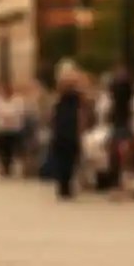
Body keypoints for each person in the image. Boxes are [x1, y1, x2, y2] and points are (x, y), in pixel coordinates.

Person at [48, 64, 85, 200]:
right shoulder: (64, 98)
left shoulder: (74, 99)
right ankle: (64, 186)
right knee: (65, 160)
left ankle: (65, 186)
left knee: (67, 161)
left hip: (67, 131)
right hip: (64, 132)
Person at [106, 61, 134, 196]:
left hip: (120, 121)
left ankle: (119, 181)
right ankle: (122, 180)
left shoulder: (120, 88)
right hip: (122, 121)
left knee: (118, 150)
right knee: (121, 150)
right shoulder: (127, 88)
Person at [0, 82, 26, 177]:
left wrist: (7, 115)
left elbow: (20, 111)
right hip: (0, 129)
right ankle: (3, 167)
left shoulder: (17, 99)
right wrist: (6, 115)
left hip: (13, 129)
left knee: (10, 149)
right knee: (1, 149)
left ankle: (9, 167)